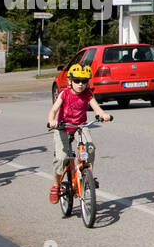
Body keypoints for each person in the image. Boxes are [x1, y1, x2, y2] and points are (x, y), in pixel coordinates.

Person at [47, 64, 113, 202]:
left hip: (80, 127)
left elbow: (97, 108)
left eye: (84, 81)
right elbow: (53, 110)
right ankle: (56, 185)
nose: (80, 84)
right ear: (70, 81)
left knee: (90, 148)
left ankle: (88, 176)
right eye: (77, 81)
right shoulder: (64, 93)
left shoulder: (87, 94)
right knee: (61, 158)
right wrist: (52, 120)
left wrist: (103, 115)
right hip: (62, 127)